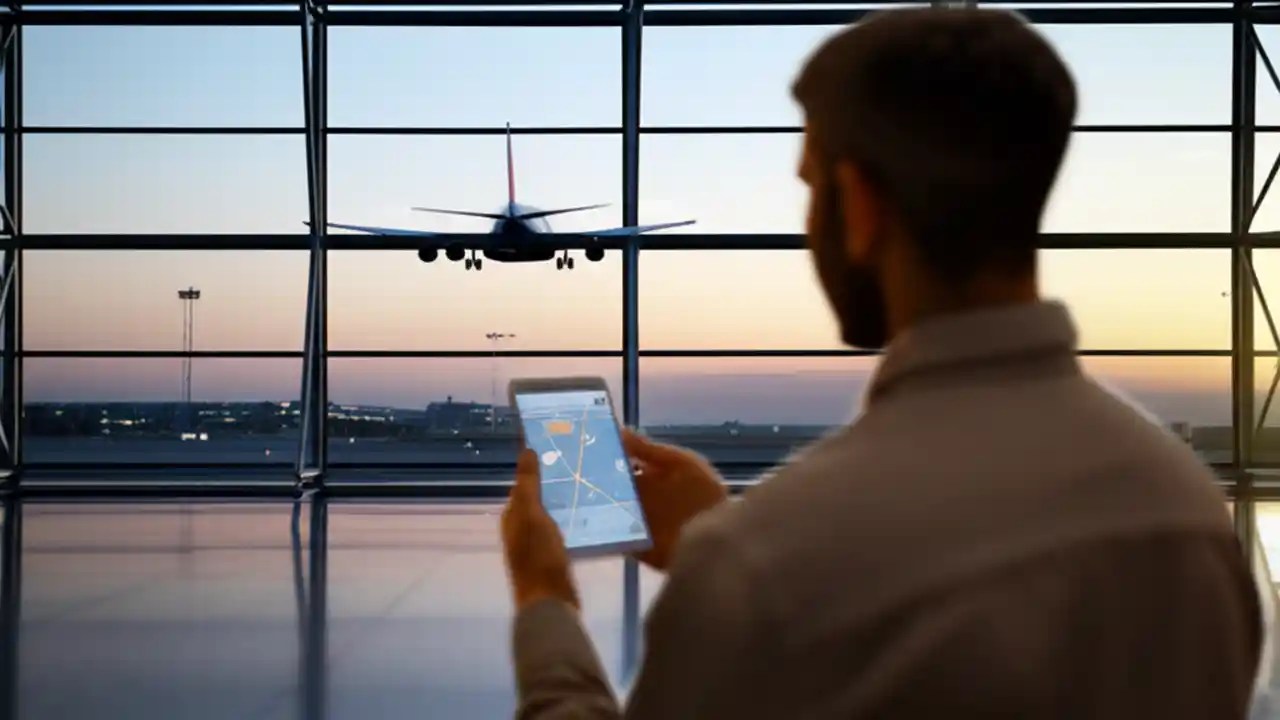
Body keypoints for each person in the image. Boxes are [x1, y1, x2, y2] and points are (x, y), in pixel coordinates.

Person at [500, 7, 1263, 719]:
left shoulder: (761, 565)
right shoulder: (1189, 512)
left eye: (811, 188)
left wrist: (545, 598)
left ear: (859, 204)